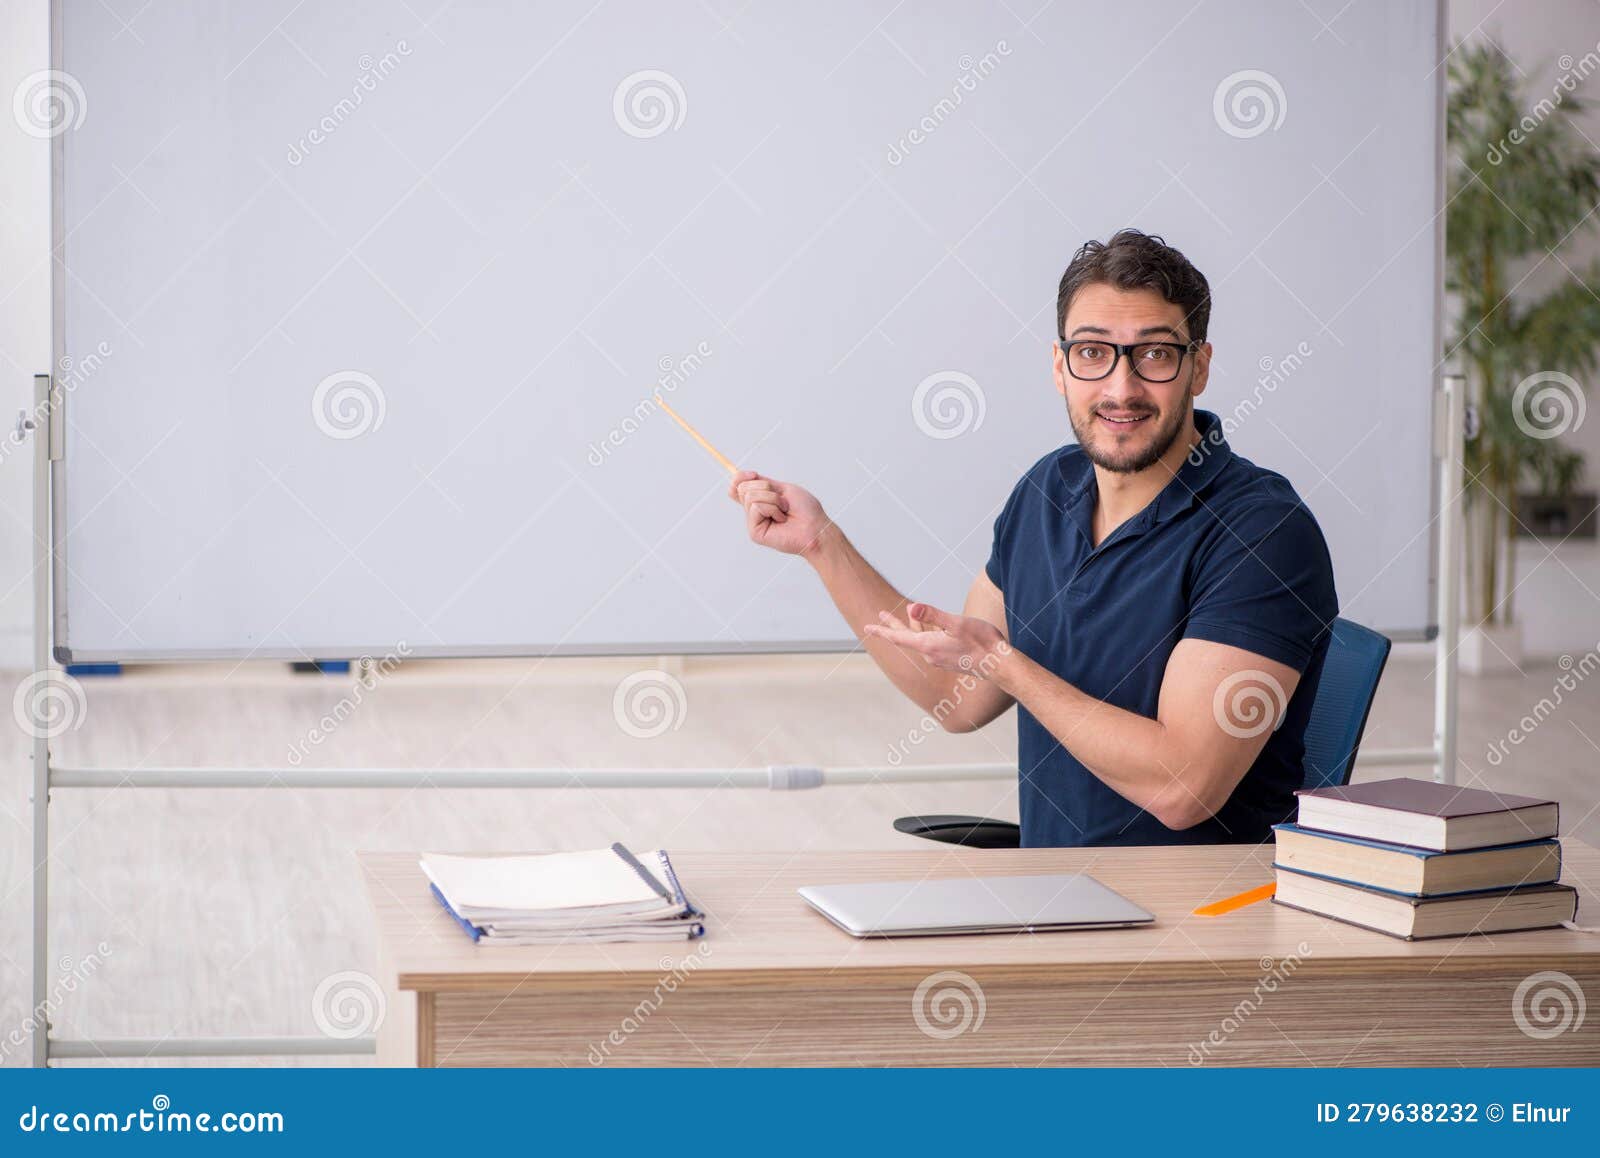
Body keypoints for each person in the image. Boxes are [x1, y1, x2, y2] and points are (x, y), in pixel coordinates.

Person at [728, 229, 1339, 846]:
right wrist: (821, 543)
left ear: (1198, 367)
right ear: (1060, 366)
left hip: (1197, 903)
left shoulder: (1263, 531)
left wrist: (1004, 663)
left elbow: (1182, 789)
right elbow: (957, 695)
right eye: (1093, 353)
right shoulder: (1048, 489)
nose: (1121, 388)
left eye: (1155, 354)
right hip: (1055, 888)